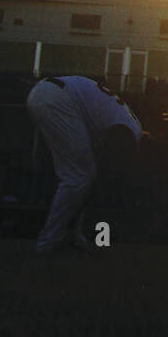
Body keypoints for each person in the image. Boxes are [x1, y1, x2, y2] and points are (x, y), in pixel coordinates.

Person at [26, 74, 141, 254]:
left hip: (48, 94)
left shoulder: (129, 125)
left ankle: (72, 236)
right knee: (80, 176)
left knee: (82, 177)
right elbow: (113, 145)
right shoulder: (129, 132)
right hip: (59, 100)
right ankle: (49, 242)